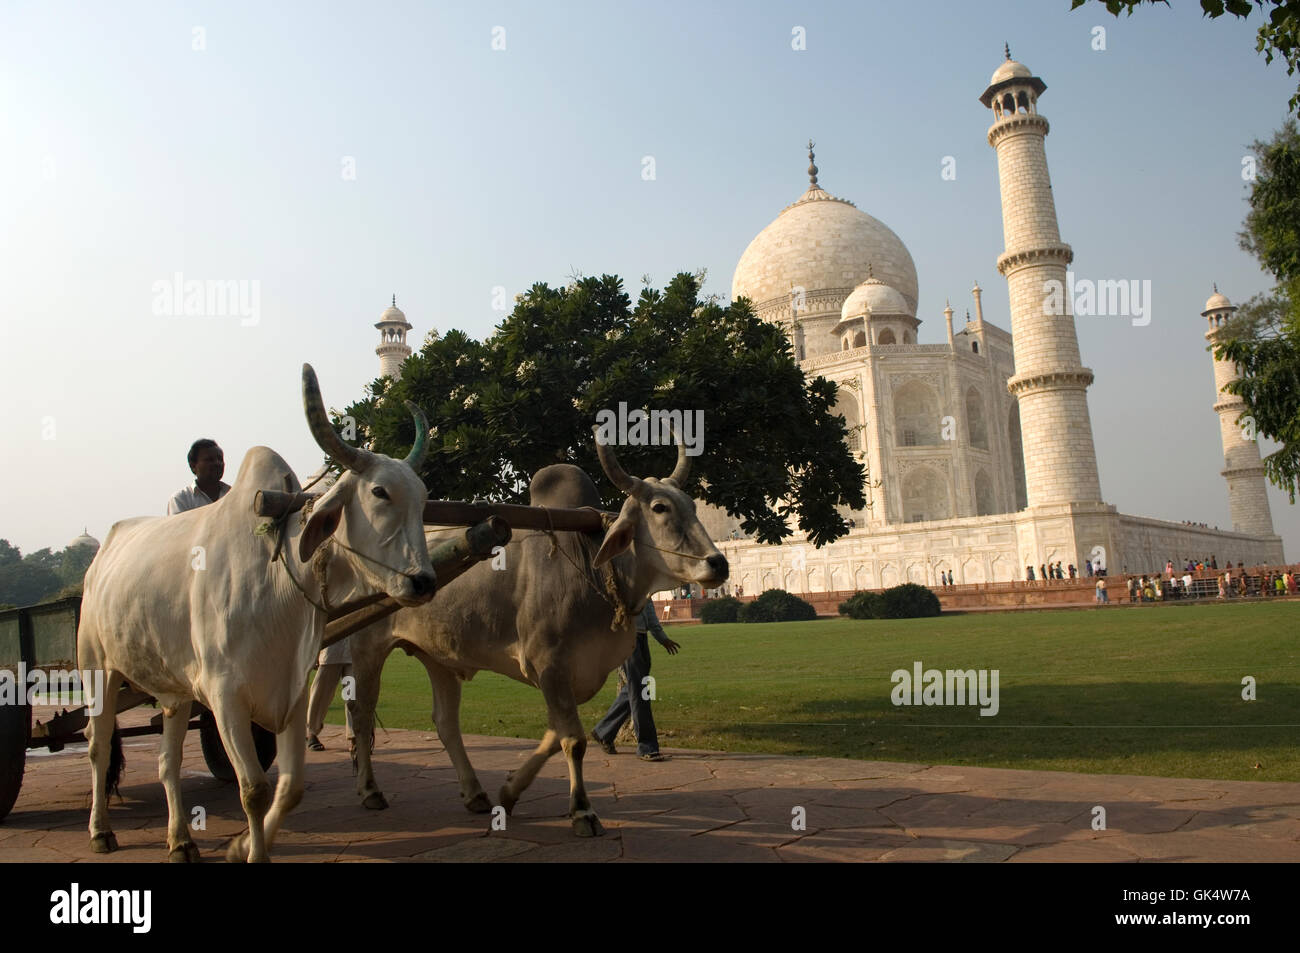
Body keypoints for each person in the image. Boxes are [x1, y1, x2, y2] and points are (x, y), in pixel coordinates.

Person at [591, 601, 681, 762]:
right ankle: (647, 746)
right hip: (627, 638)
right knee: (640, 693)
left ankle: (603, 732)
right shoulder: (624, 583)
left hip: (641, 639)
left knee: (635, 689)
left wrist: (662, 638)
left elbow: (650, 613)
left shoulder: (644, 584)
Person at [306, 638, 353, 752]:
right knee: (321, 694)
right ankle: (312, 732)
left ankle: (354, 735)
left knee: (351, 696)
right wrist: (314, 651)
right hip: (331, 650)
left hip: (352, 651)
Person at [167, 439, 231, 514]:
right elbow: (179, 525)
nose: (217, 463)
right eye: (209, 460)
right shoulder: (181, 499)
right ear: (193, 466)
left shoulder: (234, 495)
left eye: (220, 459)